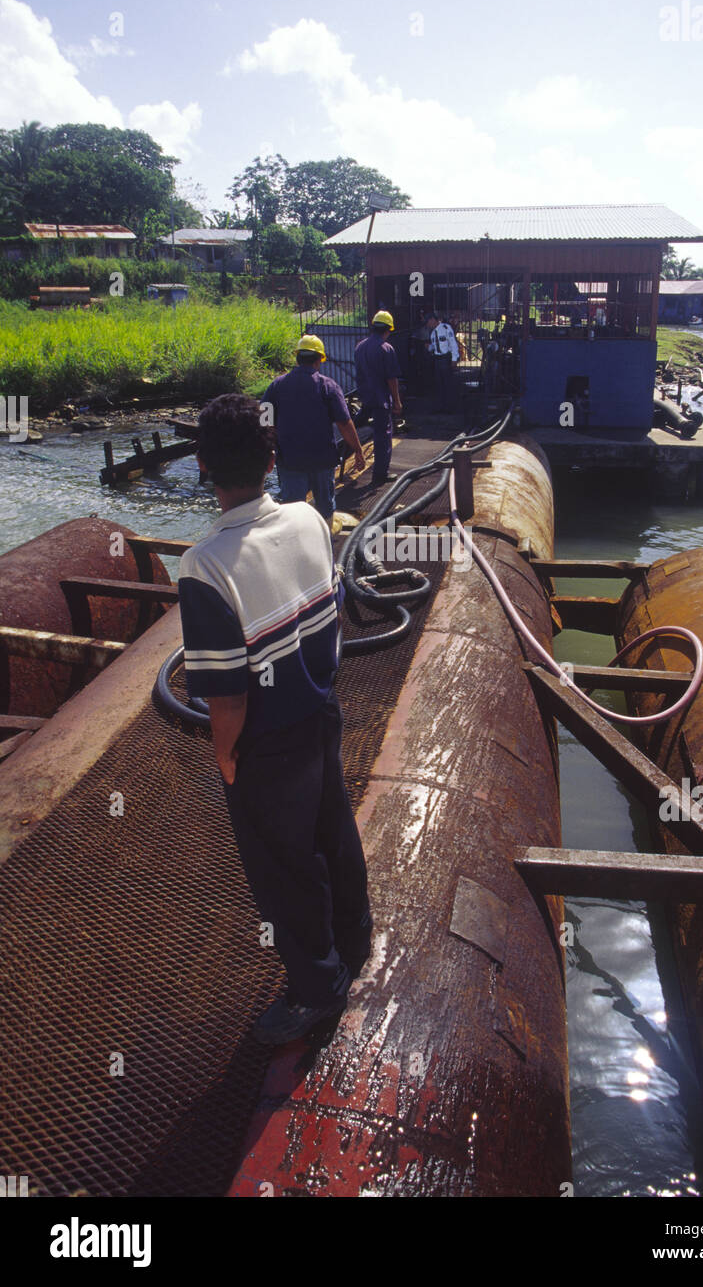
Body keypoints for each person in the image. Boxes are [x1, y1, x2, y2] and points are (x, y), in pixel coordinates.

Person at [178, 394, 372, 1045]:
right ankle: (355, 936)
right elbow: (329, 613)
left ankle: (317, 991)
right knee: (333, 829)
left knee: (283, 870)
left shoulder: (204, 565)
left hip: (267, 742)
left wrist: (225, 754)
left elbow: (226, 693)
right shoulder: (310, 519)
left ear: (203, 466)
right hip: (321, 709)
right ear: (271, 456)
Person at [262, 334, 365, 525]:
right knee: (325, 506)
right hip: (322, 460)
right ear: (319, 359)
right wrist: (358, 451)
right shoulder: (329, 386)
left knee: (291, 511)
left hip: (290, 461)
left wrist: (269, 452)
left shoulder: (276, 386)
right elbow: (344, 423)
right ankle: (325, 543)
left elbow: (264, 421)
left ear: (297, 358)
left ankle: (294, 549)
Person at [353, 310, 402, 485]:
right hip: (381, 399)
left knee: (358, 425)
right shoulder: (386, 349)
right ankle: (380, 475)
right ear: (388, 329)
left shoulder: (360, 347)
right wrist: (397, 401)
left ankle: (348, 446)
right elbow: (391, 378)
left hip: (365, 397)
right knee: (383, 436)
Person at [427, 313, 460, 412]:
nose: (428, 324)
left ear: (433, 320)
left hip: (446, 359)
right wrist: (429, 347)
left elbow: (453, 343)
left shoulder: (446, 328)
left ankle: (450, 407)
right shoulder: (432, 333)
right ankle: (441, 407)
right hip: (437, 360)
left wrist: (454, 358)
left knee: (448, 384)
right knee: (439, 384)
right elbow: (435, 346)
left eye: (428, 322)